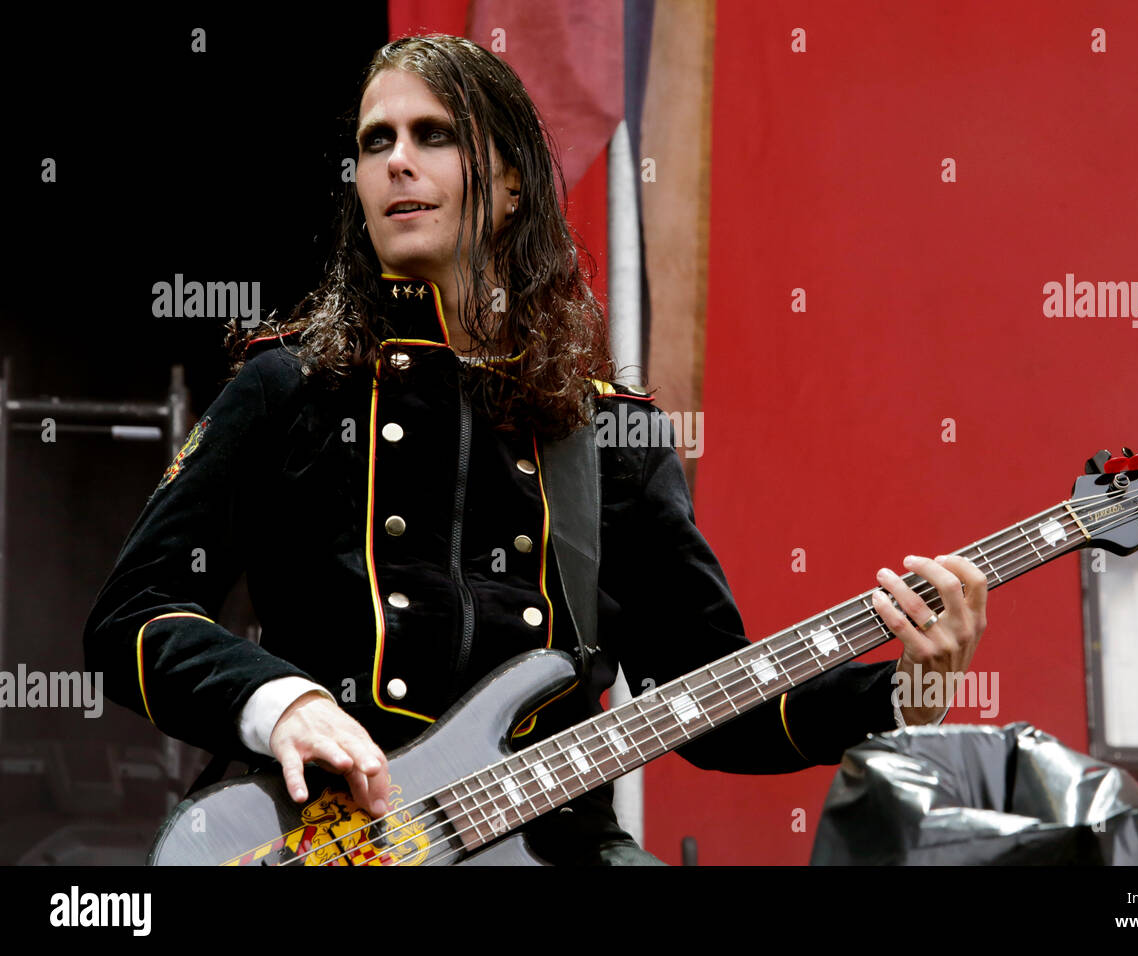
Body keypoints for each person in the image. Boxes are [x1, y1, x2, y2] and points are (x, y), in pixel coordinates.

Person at [83, 34, 989, 866]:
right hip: (320, 839)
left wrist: (905, 689)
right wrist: (287, 703)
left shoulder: (610, 435)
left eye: (433, 135)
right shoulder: (291, 387)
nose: (396, 160)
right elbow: (134, 613)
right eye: (374, 142)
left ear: (511, 182)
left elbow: (720, 712)